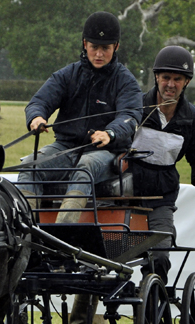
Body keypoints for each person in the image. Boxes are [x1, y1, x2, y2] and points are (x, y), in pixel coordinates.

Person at [68, 46, 195, 324]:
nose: (170, 84)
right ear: (156, 77)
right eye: (166, 78)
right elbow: (112, 136)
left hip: (160, 199)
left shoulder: (193, 120)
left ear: (186, 83)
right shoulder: (135, 108)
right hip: (121, 196)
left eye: (178, 79)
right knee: (95, 256)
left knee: (159, 257)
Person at [17, 11, 142, 224]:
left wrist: (110, 133)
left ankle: (64, 232)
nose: (99, 54)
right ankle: (24, 229)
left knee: (86, 165)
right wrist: (36, 117)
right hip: (65, 147)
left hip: (105, 152)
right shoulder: (66, 75)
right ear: (85, 44)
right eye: (94, 47)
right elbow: (39, 102)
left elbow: (130, 115)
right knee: (30, 165)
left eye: (106, 48)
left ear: (116, 47)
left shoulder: (126, 82)